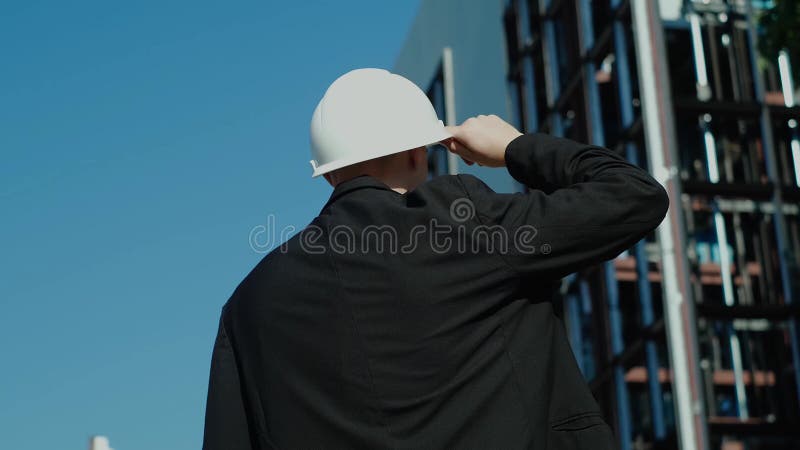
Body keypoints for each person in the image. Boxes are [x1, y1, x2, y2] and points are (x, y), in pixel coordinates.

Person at [202, 68, 669, 449]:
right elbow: (635, 196)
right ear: (416, 151)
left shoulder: (250, 307)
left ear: (328, 174)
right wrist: (514, 148)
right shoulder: (464, 223)